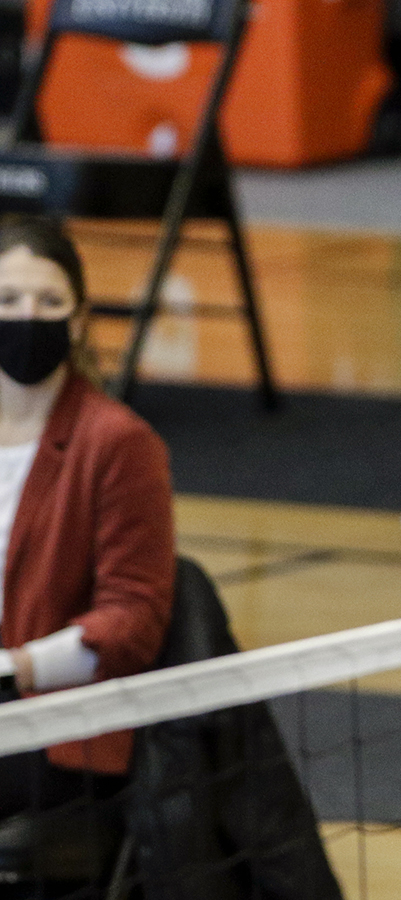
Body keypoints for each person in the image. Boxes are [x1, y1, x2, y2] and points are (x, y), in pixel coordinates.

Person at [0, 216, 176, 819]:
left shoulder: (119, 443)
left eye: (49, 301)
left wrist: (19, 669)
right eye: (9, 299)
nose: (27, 315)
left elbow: (134, 618)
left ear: (78, 322)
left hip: (55, 733)